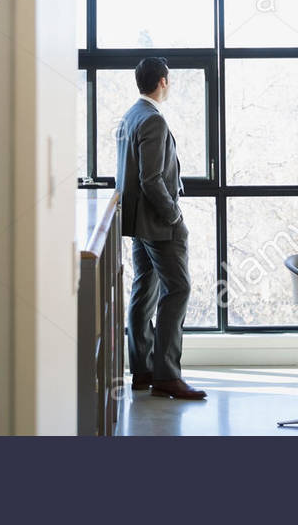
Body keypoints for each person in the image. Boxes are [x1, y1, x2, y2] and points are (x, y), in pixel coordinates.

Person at [115, 57, 207, 400]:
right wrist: (174, 217)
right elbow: (151, 179)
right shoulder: (152, 120)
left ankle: (142, 370)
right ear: (163, 82)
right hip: (158, 223)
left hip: (139, 223)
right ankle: (167, 375)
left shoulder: (130, 116)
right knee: (178, 290)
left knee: (145, 290)